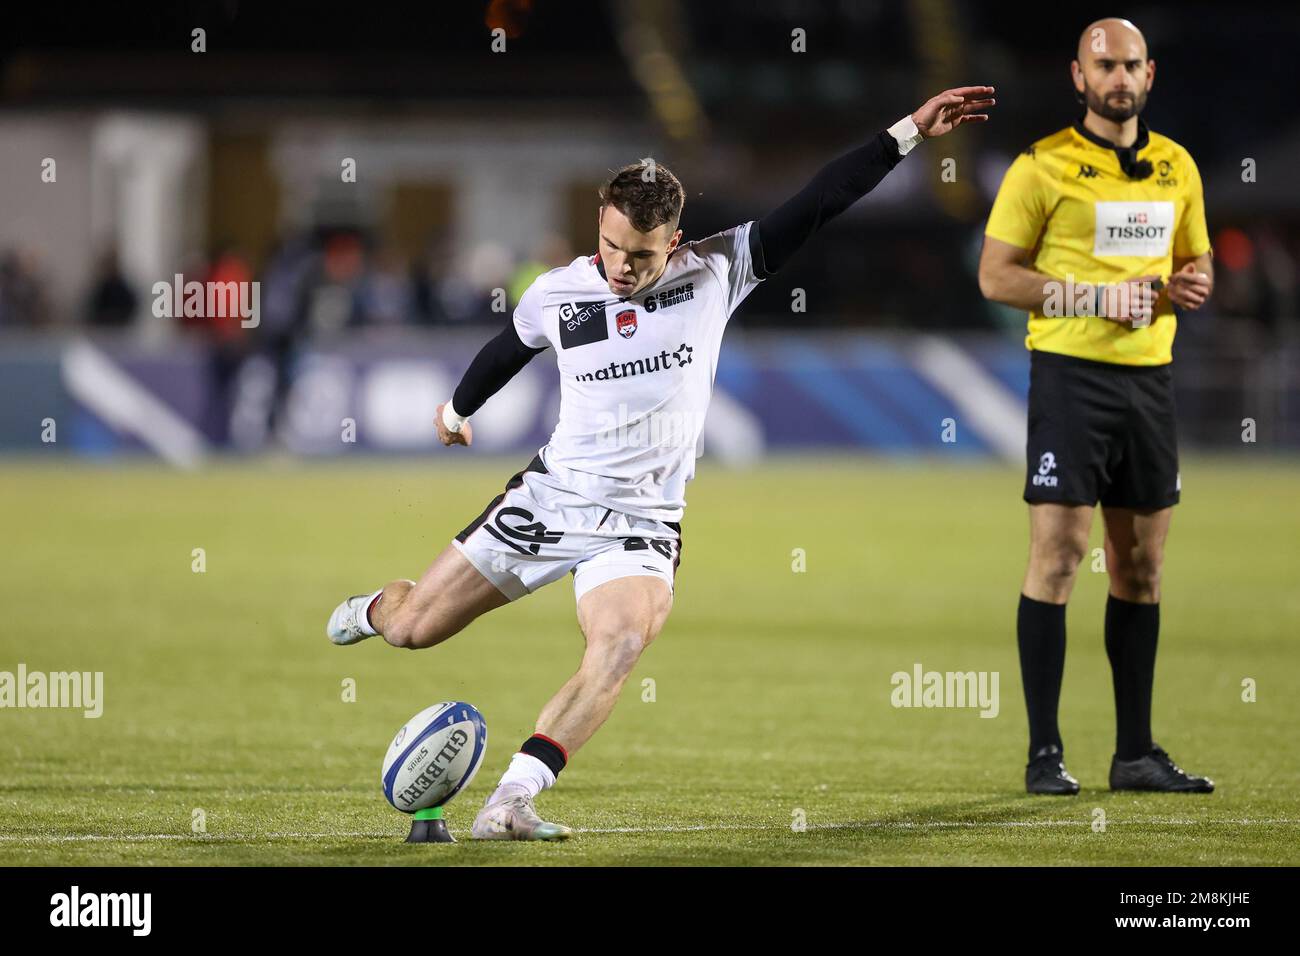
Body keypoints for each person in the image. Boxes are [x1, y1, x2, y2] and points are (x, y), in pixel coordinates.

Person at [329, 86, 995, 838]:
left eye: (642, 256)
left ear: (674, 241)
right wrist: (457, 411)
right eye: (612, 247)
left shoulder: (718, 270)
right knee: (415, 630)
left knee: (616, 648)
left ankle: (511, 800)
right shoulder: (557, 292)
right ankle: (372, 609)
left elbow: (817, 201)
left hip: (642, 523)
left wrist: (905, 133)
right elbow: (506, 350)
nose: (621, 267)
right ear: (599, 228)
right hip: (553, 498)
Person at [978, 18, 1214, 795]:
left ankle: (1135, 755)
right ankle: (1045, 754)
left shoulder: (1177, 167)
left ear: (1152, 75)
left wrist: (1194, 283)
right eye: (1104, 65)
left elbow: (1195, 260)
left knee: (1140, 569)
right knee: (1057, 558)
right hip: (1071, 376)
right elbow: (997, 277)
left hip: (1149, 381)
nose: (1120, 78)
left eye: (1132, 65)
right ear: (1078, 76)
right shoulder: (1041, 166)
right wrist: (1092, 294)